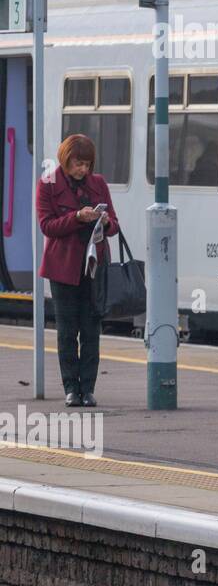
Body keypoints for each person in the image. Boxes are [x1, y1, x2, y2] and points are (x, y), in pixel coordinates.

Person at [37, 134, 120, 408]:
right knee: (67, 330)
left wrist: (105, 222)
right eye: (78, 164)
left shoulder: (98, 184)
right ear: (65, 160)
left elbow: (115, 226)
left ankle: (89, 389)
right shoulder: (48, 183)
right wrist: (76, 217)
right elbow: (47, 225)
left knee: (91, 329)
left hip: (94, 266)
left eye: (87, 164)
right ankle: (71, 388)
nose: (83, 170)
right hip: (62, 268)